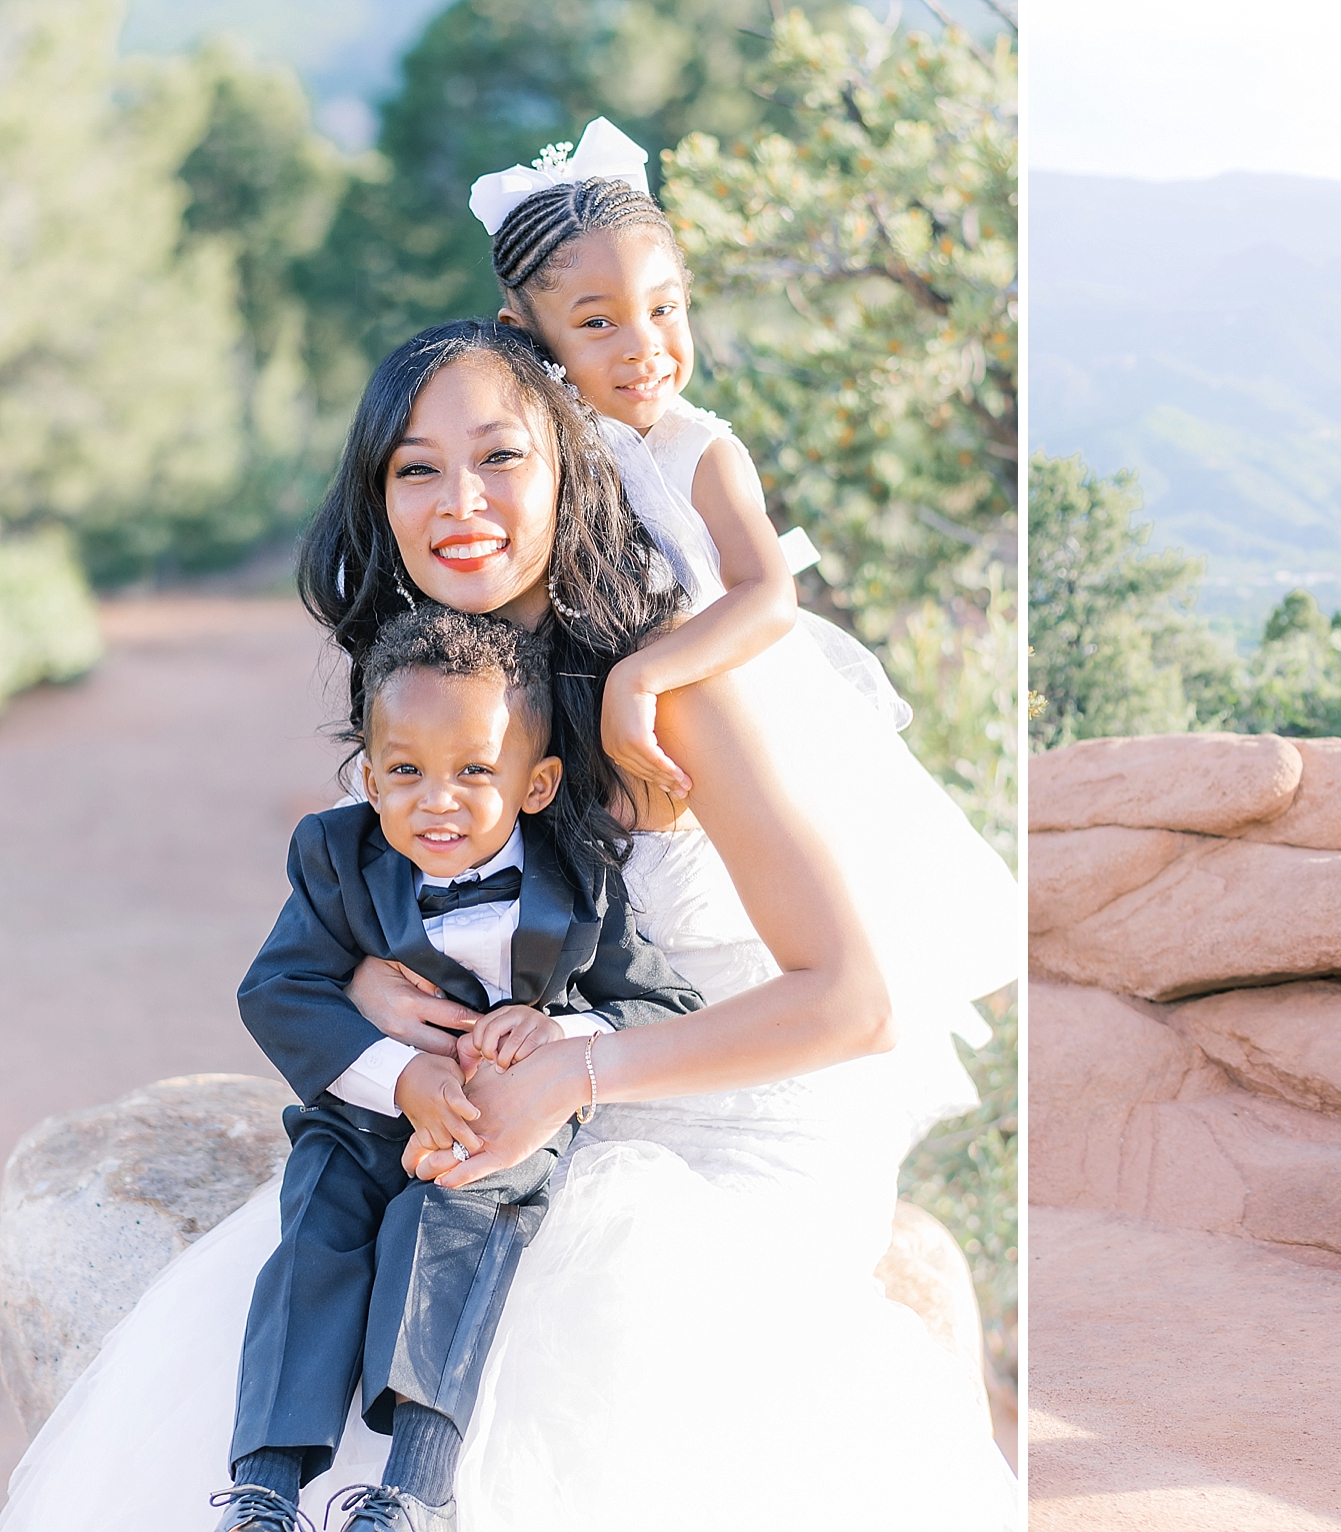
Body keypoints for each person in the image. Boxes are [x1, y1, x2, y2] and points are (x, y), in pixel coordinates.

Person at [1, 322, 1017, 1530]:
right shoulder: (431, 684)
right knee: (308, 1288)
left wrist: (575, 1075)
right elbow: (378, 911)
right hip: (511, 1082)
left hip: (733, 1102)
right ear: (376, 496)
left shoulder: (671, 687)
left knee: (546, 1331)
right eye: (416, 468)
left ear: (567, 468)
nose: (459, 503)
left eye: (499, 457)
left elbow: (854, 1003)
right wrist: (370, 983)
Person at [461, 115, 1013, 1070]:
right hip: (608, 754)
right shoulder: (542, 454)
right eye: (597, 322)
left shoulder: (699, 447)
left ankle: (764, 1036)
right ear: (526, 336)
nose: (644, 347)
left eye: (665, 309)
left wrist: (643, 676)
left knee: (754, 908)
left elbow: (768, 595)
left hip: (734, 709)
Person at [217, 604, 705, 1532]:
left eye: (474, 771)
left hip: (496, 1124)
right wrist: (399, 1075)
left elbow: (668, 1008)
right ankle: (264, 1489)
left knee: (450, 1228)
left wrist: (558, 1030)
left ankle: (412, 1489)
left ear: (536, 783)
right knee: (316, 1232)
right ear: (369, 778)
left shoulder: (581, 878)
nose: (436, 800)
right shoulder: (336, 856)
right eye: (406, 771)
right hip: (361, 1118)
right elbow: (278, 989)